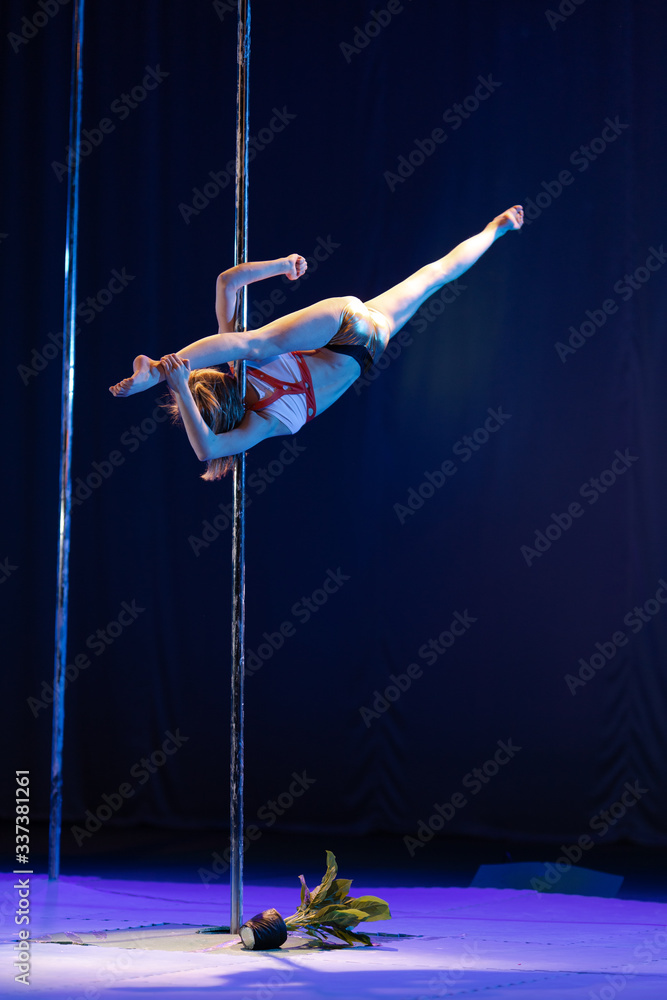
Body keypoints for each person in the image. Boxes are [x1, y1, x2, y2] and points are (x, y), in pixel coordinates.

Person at [109, 206, 524, 479]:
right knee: (251, 344)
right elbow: (227, 281)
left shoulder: (263, 425)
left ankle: (496, 229)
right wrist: (281, 266)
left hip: (368, 344)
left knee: (437, 276)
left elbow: (208, 449)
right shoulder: (243, 373)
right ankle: (154, 373)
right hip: (343, 321)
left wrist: (282, 267)